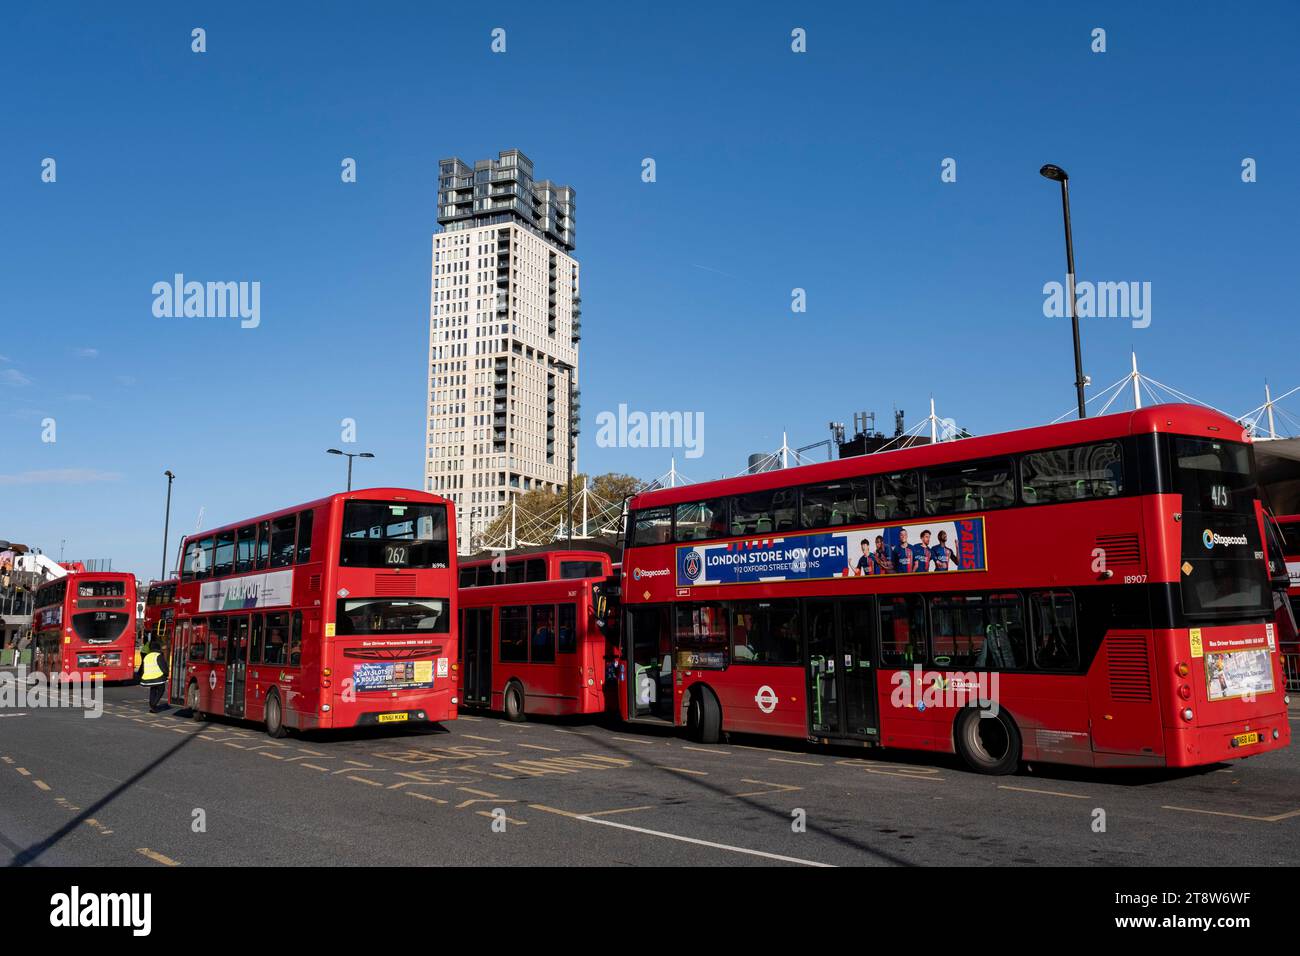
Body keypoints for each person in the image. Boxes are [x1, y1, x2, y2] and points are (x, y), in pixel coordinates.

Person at [139, 640, 170, 713]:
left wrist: (142, 677)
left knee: (153, 689)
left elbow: (143, 668)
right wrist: (166, 674)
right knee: (161, 689)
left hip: (147, 679)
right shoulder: (158, 656)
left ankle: (152, 704)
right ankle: (153, 704)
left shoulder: (147, 656)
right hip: (158, 678)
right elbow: (163, 666)